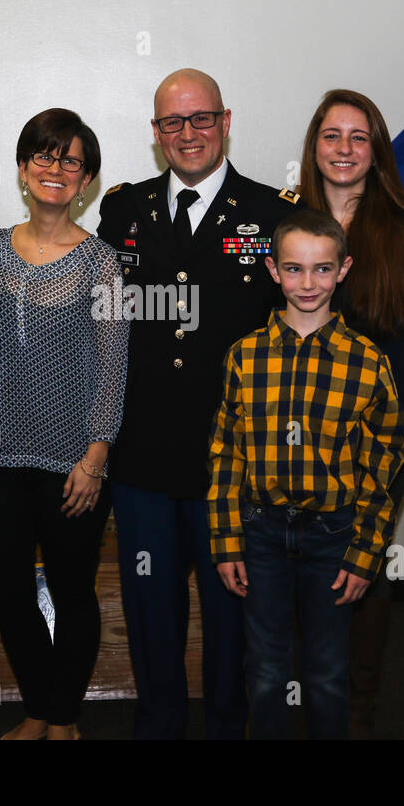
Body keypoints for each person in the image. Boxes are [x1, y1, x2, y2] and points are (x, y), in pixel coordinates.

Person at [96, 68, 299, 739]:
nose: (188, 135)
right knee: (151, 610)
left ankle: (226, 725)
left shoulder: (272, 214)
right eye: (172, 123)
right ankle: (158, 725)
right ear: (156, 133)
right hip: (144, 456)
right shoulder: (123, 212)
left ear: (226, 120)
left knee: (231, 608)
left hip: (234, 458)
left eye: (201, 119)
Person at [209, 208, 404, 739]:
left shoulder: (367, 361)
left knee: (325, 673)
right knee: (267, 671)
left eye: (322, 269)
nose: (308, 282)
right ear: (272, 270)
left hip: (333, 535)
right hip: (261, 533)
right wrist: (227, 541)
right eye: (294, 269)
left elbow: (384, 462)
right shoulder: (243, 357)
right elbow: (226, 454)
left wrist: (366, 553)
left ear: (344, 269)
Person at [0, 109, 129, 741]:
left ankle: (62, 717)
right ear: (21, 168)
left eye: (70, 160)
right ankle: (39, 707)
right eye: (43, 155)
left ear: (87, 179)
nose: (55, 169)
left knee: (72, 592)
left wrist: (95, 460)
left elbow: (114, 370)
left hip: (74, 465)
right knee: (8, 591)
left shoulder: (106, 264)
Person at [293, 89, 404, 737]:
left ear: (375, 150)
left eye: (358, 136)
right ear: (314, 146)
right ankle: (307, 697)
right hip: (289, 430)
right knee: (296, 569)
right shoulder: (285, 218)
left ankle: (357, 709)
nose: (344, 149)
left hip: (372, 429)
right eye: (332, 135)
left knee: (361, 567)